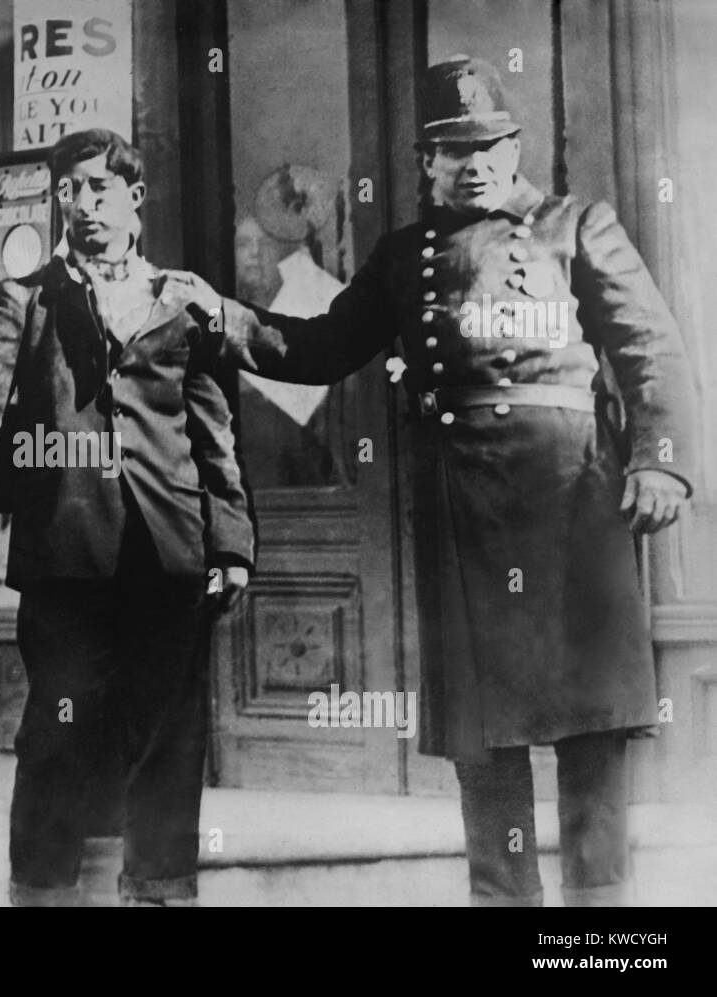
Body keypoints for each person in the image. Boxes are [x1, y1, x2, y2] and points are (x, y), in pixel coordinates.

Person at [192, 56, 697, 906]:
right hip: (466, 521)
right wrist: (227, 317)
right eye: (451, 150)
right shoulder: (402, 257)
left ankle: (598, 940)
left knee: (593, 741)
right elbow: (317, 349)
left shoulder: (578, 226)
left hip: (576, 509)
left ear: (515, 146)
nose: (473, 164)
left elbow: (651, 347)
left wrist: (663, 458)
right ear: (426, 162)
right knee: (486, 746)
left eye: (489, 145)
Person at [0, 128, 254, 906]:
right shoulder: (27, 296)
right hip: (66, 558)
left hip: (170, 553)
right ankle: (41, 892)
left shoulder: (184, 298)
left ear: (135, 198)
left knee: (168, 743)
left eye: (98, 189)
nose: (81, 205)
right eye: (68, 191)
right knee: (57, 739)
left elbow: (212, 432)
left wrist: (230, 540)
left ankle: (160, 892)